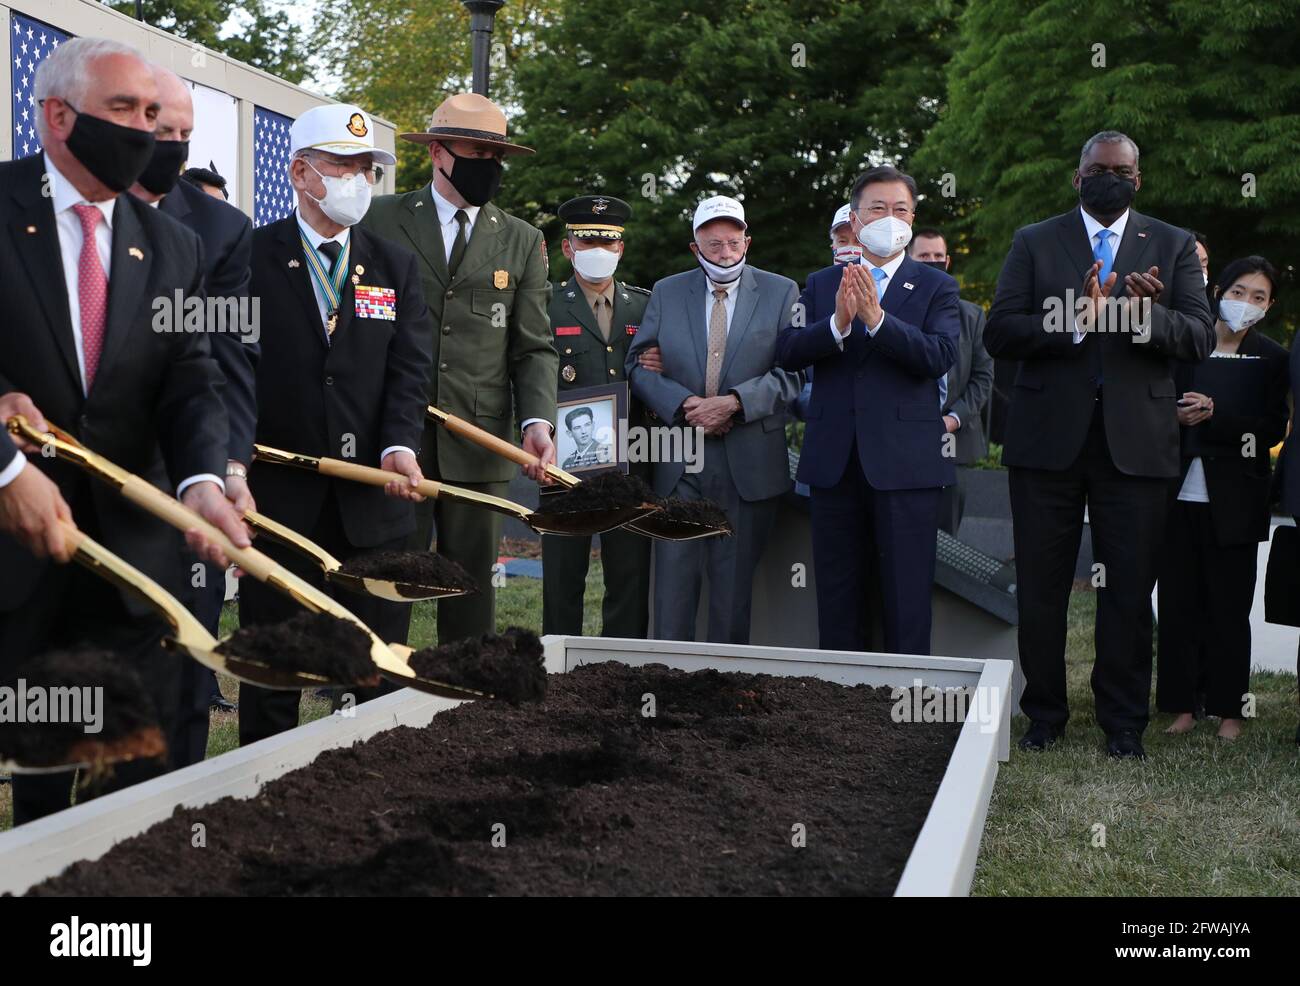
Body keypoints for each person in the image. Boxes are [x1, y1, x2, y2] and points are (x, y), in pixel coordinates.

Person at [0, 37, 247, 823]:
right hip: (14, 557)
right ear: (56, 116)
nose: (144, 131)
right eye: (124, 111)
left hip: (133, 563)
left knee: (126, 779)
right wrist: (7, 470)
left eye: (153, 113)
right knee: (36, 762)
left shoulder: (176, 245)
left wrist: (205, 480)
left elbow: (194, 380)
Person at [985, 130, 1215, 759]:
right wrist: (1074, 318)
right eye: (1097, 168)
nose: (1108, 177)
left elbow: (1198, 335)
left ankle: (1122, 723)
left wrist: (1144, 315)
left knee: (1130, 589)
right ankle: (1044, 716)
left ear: (1137, 180)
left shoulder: (1170, 245)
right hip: (1046, 444)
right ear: (1077, 175)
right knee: (1041, 587)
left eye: (1121, 170)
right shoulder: (1034, 240)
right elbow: (999, 331)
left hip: (1137, 446)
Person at [237, 104, 432, 746]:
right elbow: (224, 373)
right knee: (275, 667)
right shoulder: (246, 258)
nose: (359, 181)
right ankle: (260, 790)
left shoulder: (394, 266)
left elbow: (409, 372)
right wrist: (234, 465)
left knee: (372, 672)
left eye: (367, 169)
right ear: (300, 172)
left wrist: (400, 444)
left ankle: (361, 789)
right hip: (280, 503)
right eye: (343, 166)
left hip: (373, 507)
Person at [361, 93, 556, 645]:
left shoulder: (521, 239)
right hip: (396, 435)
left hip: (480, 440)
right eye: (477, 153)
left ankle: (463, 697)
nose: (489, 167)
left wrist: (537, 422)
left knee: (470, 588)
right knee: (392, 576)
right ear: (439, 154)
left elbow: (533, 345)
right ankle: (378, 690)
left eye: (498, 157)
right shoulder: (381, 219)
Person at [776, 167, 959, 656]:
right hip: (835, 464)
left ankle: (905, 706)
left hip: (906, 466)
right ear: (855, 221)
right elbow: (789, 351)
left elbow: (939, 356)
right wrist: (836, 323)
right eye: (878, 208)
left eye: (900, 209)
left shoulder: (936, 286)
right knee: (837, 594)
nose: (890, 218)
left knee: (906, 595)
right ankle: (839, 705)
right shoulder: (820, 284)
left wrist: (877, 320)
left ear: (913, 218)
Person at [128, 64, 256, 762]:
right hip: (66, 478)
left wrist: (224, 463)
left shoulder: (216, 231)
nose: (171, 146)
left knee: (183, 654)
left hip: (182, 470)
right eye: (159, 130)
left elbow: (223, 362)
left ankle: (175, 812)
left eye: (184, 133)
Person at [627, 195, 800, 644]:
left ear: (748, 241)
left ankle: (722, 694)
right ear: (694, 247)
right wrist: (688, 405)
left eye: (733, 242)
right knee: (672, 589)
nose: (725, 254)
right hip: (679, 461)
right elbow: (637, 365)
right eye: (714, 244)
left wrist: (735, 403)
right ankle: (665, 686)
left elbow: (795, 372)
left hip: (747, 462)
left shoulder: (782, 292)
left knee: (732, 591)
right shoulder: (667, 291)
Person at [1158, 257, 1287, 741]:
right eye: (1238, 291)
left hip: (1236, 497)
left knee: (1229, 608)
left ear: (1269, 306)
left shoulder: (1273, 358)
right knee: (1177, 604)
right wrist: (1176, 416)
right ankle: (1181, 704)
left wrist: (1218, 416)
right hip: (1176, 494)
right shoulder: (1185, 346)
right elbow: (1154, 402)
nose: (1245, 303)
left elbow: (1272, 426)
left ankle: (1229, 709)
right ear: (1218, 291)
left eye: (1258, 296)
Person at [542, 195, 653, 637]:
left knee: (629, 578)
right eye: (588, 241)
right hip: (563, 467)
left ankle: (621, 674)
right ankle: (556, 676)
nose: (599, 251)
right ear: (568, 248)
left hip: (630, 462)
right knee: (562, 579)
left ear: (621, 249)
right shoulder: (544, 304)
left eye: (608, 243)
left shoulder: (644, 307)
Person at [909, 226, 994, 534]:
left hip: (953, 443)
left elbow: (983, 377)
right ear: (909, 259)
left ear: (947, 263)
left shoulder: (971, 316)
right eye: (923, 256)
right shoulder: (892, 312)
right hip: (902, 440)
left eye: (938, 256)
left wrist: (953, 419)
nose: (932, 262)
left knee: (946, 537)